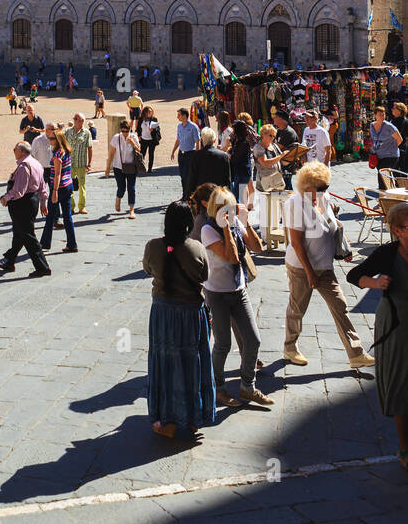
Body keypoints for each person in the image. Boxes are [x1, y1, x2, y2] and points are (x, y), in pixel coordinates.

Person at [283, 161, 375, 369]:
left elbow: (333, 225)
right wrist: (309, 273)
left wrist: (345, 246)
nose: (325, 190)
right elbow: (296, 243)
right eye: (321, 187)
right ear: (307, 186)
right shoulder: (296, 204)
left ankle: (356, 353)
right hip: (301, 267)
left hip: (324, 266)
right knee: (297, 309)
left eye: (326, 186)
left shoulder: (323, 197)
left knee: (340, 306)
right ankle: (290, 348)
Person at [142, 201, 216, 440]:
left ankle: (169, 421)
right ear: (189, 223)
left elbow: (148, 270)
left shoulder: (152, 246)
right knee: (193, 362)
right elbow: (204, 276)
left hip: (163, 313)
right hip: (191, 313)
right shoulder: (197, 248)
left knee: (165, 364)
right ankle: (195, 418)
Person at [346, 201, 408, 470]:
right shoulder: (388, 253)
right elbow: (354, 275)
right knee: (399, 384)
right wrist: (375, 282)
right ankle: (405, 448)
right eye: (407, 226)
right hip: (396, 324)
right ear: (397, 230)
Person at [200, 187, 272, 407]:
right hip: (217, 293)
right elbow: (231, 257)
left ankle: (247, 386)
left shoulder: (235, 224)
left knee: (253, 339)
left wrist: (245, 221)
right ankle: (218, 388)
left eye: (230, 206)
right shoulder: (208, 229)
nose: (228, 211)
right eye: (223, 207)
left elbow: (258, 248)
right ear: (215, 208)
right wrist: (226, 229)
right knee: (223, 344)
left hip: (238, 289)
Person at [0, 143, 51, 278]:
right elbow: (42, 186)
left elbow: (19, 191)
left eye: (14, 149)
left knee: (28, 236)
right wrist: (43, 202)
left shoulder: (23, 167)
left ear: (21, 151)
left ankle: (42, 267)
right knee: (19, 233)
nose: (13, 151)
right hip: (32, 201)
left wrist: (6, 198)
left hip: (22, 204)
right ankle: (10, 260)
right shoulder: (36, 163)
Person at [40, 127, 77, 253]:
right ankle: (72, 244)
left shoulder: (57, 155)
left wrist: (54, 191)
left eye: (51, 138)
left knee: (50, 216)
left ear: (57, 140)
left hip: (59, 187)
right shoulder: (66, 151)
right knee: (67, 216)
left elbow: (57, 174)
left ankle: (45, 243)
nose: (49, 140)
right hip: (68, 185)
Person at [106, 116, 140, 218]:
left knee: (131, 188)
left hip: (131, 167)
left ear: (130, 129)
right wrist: (107, 168)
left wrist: (133, 144)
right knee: (121, 188)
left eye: (127, 131)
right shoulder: (116, 138)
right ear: (121, 129)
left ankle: (131, 210)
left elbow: (139, 150)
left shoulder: (133, 137)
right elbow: (111, 153)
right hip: (118, 167)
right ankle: (118, 199)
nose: (125, 133)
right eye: (123, 131)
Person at [187, 127, 231, 196]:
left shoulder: (196, 156)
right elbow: (227, 179)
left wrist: (189, 195)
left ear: (202, 140)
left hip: (202, 194)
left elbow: (192, 178)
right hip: (218, 194)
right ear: (214, 140)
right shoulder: (223, 156)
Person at [370, 104, 403, 189]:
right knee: (384, 177)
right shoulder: (372, 126)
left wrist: (391, 148)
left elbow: (399, 139)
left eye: (383, 114)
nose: (382, 116)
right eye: (380, 115)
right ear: (375, 115)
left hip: (390, 156)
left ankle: (383, 197)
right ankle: (388, 195)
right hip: (378, 156)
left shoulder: (389, 126)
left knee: (382, 176)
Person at [170, 108, 201, 198]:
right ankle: (185, 194)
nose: (177, 117)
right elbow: (178, 139)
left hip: (190, 154)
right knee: (182, 176)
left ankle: (189, 195)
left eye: (179, 115)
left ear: (184, 116)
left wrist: (196, 156)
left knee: (187, 175)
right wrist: (173, 151)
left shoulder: (193, 127)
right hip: (181, 153)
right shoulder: (179, 126)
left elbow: (197, 141)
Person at [67, 112, 93, 214]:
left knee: (82, 186)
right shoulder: (68, 131)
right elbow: (62, 144)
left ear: (82, 121)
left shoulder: (87, 133)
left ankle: (82, 207)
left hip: (81, 164)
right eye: (74, 118)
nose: (74, 119)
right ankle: (71, 207)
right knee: (69, 187)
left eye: (76, 118)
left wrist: (89, 163)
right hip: (69, 164)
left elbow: (90, 148)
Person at [272, 107, 300, 190]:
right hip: (282, 163)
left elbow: (277, 147)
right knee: (285, 186)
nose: (273, 118)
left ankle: (290, 202)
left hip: (287, 164)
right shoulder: (279, 130)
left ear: (281, 119)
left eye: (275, 117)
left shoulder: (288, 132)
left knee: (286, 187)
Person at [229, 119, 254, 208]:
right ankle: (243, 218)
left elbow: (235, 158)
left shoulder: (243, 143)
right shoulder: (238, 142)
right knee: (239, 197)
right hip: (240, 172)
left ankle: (242, 217)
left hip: (242, 173)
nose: (232, 132)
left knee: (237, 197)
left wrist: (229, 155)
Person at [138, 105, 161, 174]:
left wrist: (153, 129)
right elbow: (138, 128)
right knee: (142, 154)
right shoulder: (141, 119)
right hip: (144, 139)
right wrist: (139, 135)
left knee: (151, 154)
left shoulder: (154, 119)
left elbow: (158, 128)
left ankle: (150, 169)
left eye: (151, 112)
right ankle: (141, 168)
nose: (150, 113)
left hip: (152, 140)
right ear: (145, 112)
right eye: (148, 112)